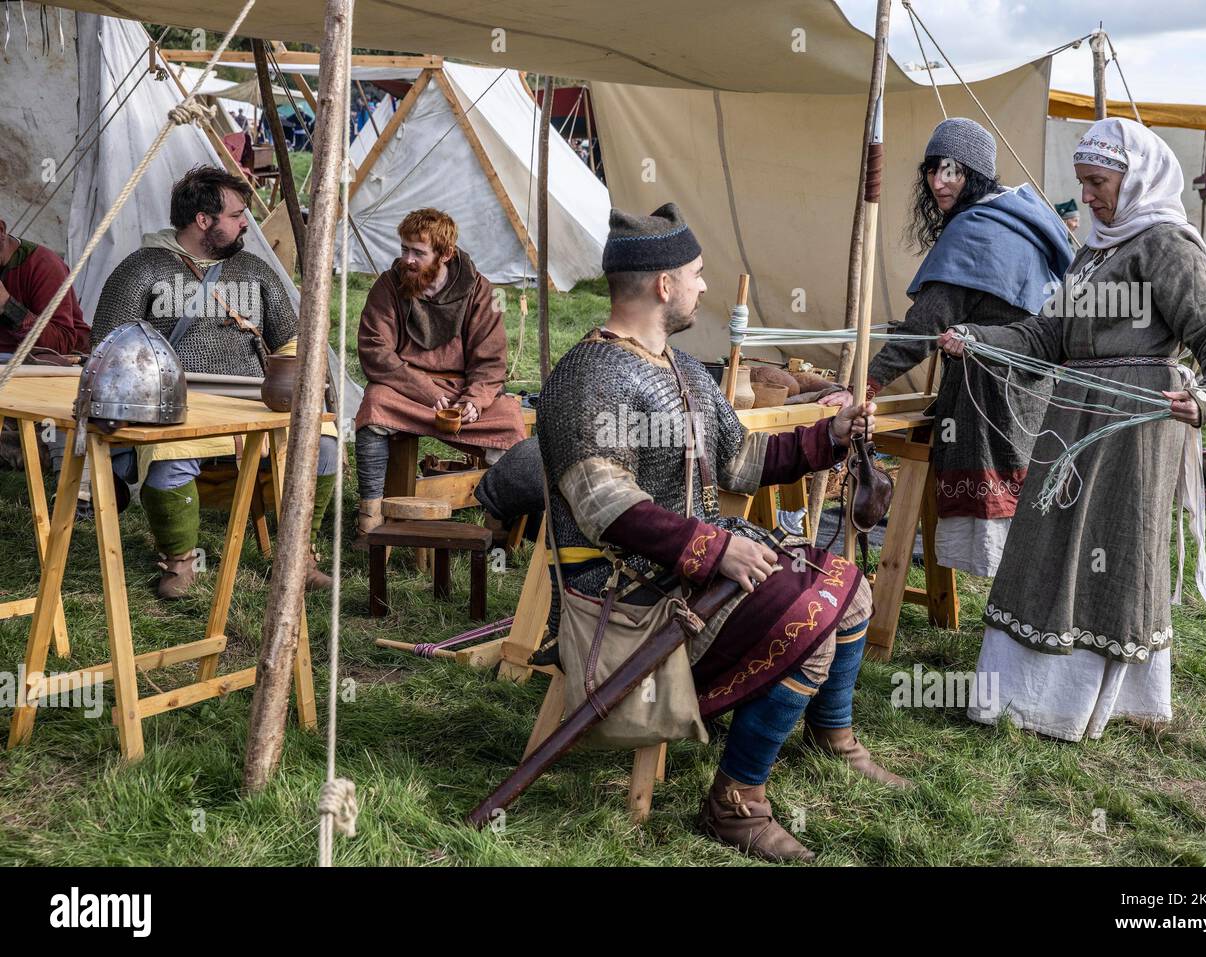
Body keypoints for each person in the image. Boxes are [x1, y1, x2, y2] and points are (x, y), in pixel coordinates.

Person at [537, 202, 910, 862]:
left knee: (848, 593)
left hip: (691, 572)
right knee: (810, 611)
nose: (705, 286)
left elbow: (745, 461)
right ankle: (736, 803)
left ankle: (833, 732)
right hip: (629, 596)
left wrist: (831, 437)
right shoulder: (586, 378)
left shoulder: (683, 371)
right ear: (662, 284)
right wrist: (714, 547)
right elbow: (605, 507)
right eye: (697, 273)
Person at [937, 117, 1206, 742]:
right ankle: (1025, 697)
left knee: (1111, 547)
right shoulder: (1097, 249)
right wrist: (978, 339)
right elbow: (1045, 335)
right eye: (1083, 183)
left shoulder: (1166, 245)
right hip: (1069, 423)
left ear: (1135, 177)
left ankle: (1083, 701)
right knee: (1046, 544)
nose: (1089, 196)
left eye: (1098, 182)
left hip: (1132, 426)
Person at [91, 165, 338, 598]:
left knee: (326, 446)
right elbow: (111, 346)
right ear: (203, 220)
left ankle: (299, 556)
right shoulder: (142, 269)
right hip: (179, 405)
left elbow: (293, 343)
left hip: (253, 403)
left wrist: (293, 376)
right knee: (169, 457)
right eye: (237, 214)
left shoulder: (254, 270)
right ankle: (179, 562)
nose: (246, 222)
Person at [866, 118, 1072, 577]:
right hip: (1034, 393)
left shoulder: (975, 229)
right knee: (1027, 521)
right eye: (933, 169)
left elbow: (927, 324)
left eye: (953, 171)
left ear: (975, 176)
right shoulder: (1021, 216)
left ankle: (1009, 627)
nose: (940, 182)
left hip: (991, 397)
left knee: (1000, 543)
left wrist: (868, 383)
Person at [352, 208, 525, 545]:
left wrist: (475, 401)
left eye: (418, 252)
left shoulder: (479, 291)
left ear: (446, 254)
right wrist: (426, 392)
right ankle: (369, 518)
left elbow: (491, 361)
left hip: (461, 392)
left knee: (509, 422)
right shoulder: (389, 285)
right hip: (405, 388)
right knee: (373, 406)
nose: (408, 260)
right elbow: (375, 349)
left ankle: (497, 524)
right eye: (404, 249)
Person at [0, 217, 90, 356]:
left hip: (57, 370)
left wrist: (7, 307)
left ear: (1, 230)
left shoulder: (44, 265)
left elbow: (62, 342)